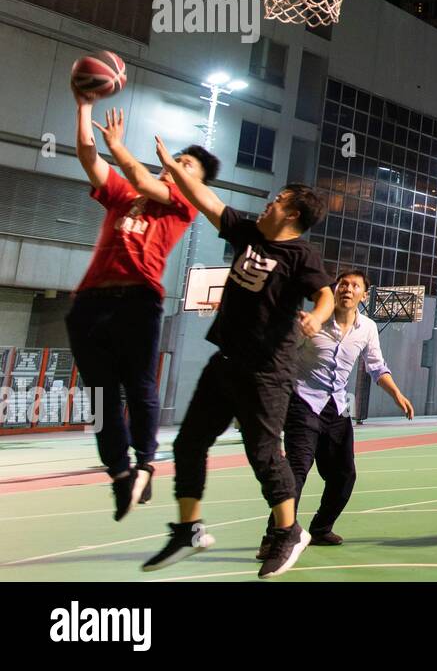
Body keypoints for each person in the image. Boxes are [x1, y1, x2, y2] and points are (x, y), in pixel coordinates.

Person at [142, 145, 334, 579]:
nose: (271, 201)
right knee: (188, 444)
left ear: (292, 214)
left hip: (267, 368)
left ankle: (289, 532)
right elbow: (206, 200)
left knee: (264, 453)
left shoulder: (301, 255)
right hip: (225, 361)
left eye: (280, 199)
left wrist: (316, 320)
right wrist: (174, 169)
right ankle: (189, 527)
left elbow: (323, 294)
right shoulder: (247, 233)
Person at [67, 98, 215, 521]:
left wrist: (120, 147)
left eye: (186, 164)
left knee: (139, 387)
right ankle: (119, 474)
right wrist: (84, 105)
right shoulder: (124, 195)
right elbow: (86, 155)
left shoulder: (181, 204)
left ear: (195, 184)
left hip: (137, 298)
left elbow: (141, 175)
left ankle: (146, 463)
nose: (175, 164)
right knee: (98, 396)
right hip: (90, 300)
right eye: (177, 159)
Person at [256, 269, 414, 560]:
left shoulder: (366, 328)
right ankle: (273, 538)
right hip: (302, 403)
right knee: (296, 472)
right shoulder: (313, 321)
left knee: (344, 476)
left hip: (337, 408)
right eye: (343, 284)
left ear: (363, 295)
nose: (347, 289)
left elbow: (377, 366)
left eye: (355, 286)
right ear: (334, 289)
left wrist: (398, 395)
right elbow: (283, 356)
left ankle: (320, 528)